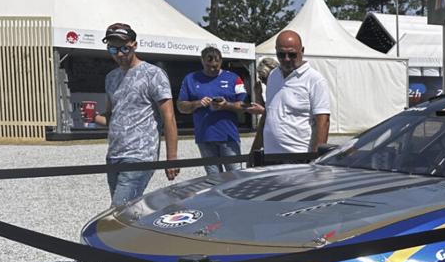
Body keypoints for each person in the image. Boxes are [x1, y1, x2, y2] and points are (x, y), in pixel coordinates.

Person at [92, 22, 179, 204]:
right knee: (126, 213)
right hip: (114, 154)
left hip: (140, 155)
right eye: (113, 50)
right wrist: (92, 117)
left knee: (118, 210)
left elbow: (169, 117)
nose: (120, 54)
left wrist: (172, 158)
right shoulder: (111, 77)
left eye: (124, 48)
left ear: (134, 45)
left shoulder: (153, 74)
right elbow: (112, 117)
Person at [250, 31, 331, 155]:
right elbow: (268, 115)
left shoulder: (314, 80)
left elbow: (323, 122)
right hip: (271, 157)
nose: (286, 59)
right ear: (276, 51)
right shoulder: (273, 75)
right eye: (281, 54)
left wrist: (315, 159)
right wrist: (255, 150)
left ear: (302, 51)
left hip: (298, 158)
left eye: (292, 54)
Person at [178, 46, 247, 175]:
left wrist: (226, 105)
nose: (212, 69)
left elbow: (244, 106)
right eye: (208, 66)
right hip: (204, 137)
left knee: (236, 176)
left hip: (228, 136)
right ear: (202, 61)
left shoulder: (233, 78)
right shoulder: (191, 79)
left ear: (221, 61)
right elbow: (181, 107)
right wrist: (197, 103)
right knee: (213, 178)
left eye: (215, 66)